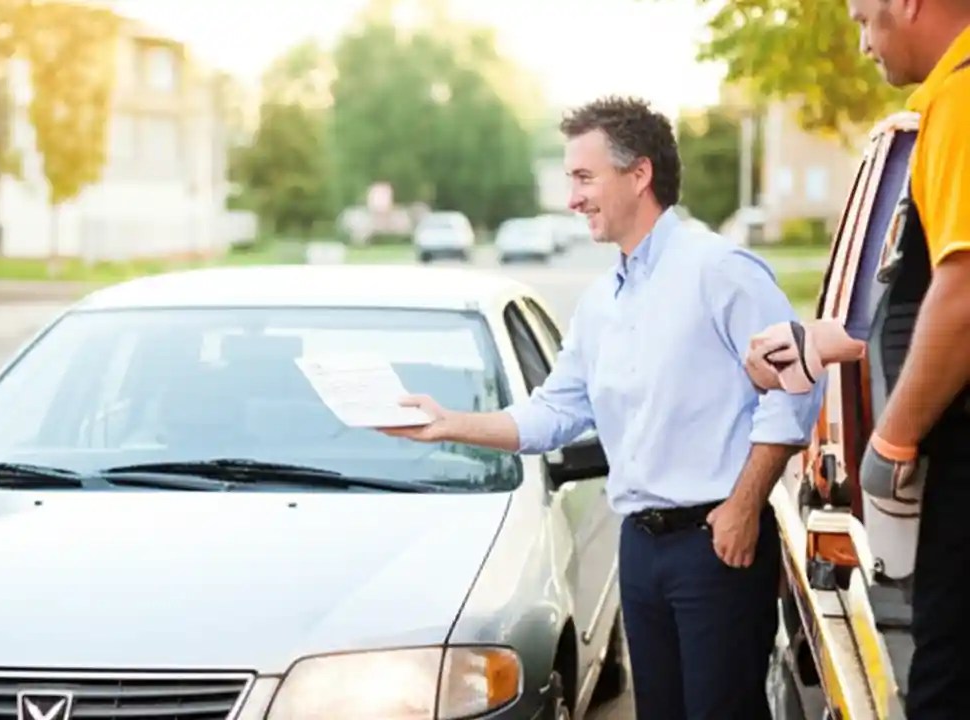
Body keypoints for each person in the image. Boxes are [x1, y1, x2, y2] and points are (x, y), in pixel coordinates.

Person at [379, 96, 823, 719]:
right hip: (640, 551)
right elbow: (551, 416)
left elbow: (799, 387)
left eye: (584, 178)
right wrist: (446, 424)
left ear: (639, 174)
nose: (572, 199)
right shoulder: (601, 304)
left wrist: (745, 505)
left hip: (717, 547)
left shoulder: (720, 271)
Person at [748, 3, 970, 716]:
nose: (862, 41)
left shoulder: (961, 101)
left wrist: (894, 440)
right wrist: (823, 343)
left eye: (864, 18)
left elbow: (960, 296)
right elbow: (904, 313)